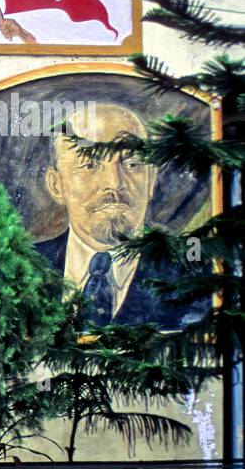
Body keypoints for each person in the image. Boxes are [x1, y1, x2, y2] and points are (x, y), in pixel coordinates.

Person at [34, 103, 207, 329]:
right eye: (90, 165)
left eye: (132, 164)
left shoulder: (192, 274)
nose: (114, 183)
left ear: (150, 180)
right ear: (56, 185)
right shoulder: (23, 269)